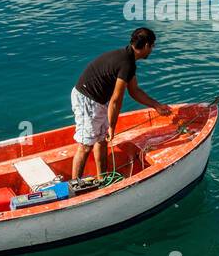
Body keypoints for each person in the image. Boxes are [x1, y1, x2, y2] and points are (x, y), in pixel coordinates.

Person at [70, 28, 171, 180]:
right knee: (86, 145)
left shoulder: (128, 59)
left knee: (101, 140)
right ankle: (74, 185)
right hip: (87, 99)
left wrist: (156, 105)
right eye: (152, 46)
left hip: (98, 101)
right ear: (146, 46)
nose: (152, 50)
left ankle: (102, 178)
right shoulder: (126, 63)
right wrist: (112, 126)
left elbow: (134, 91)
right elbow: (116, 100)